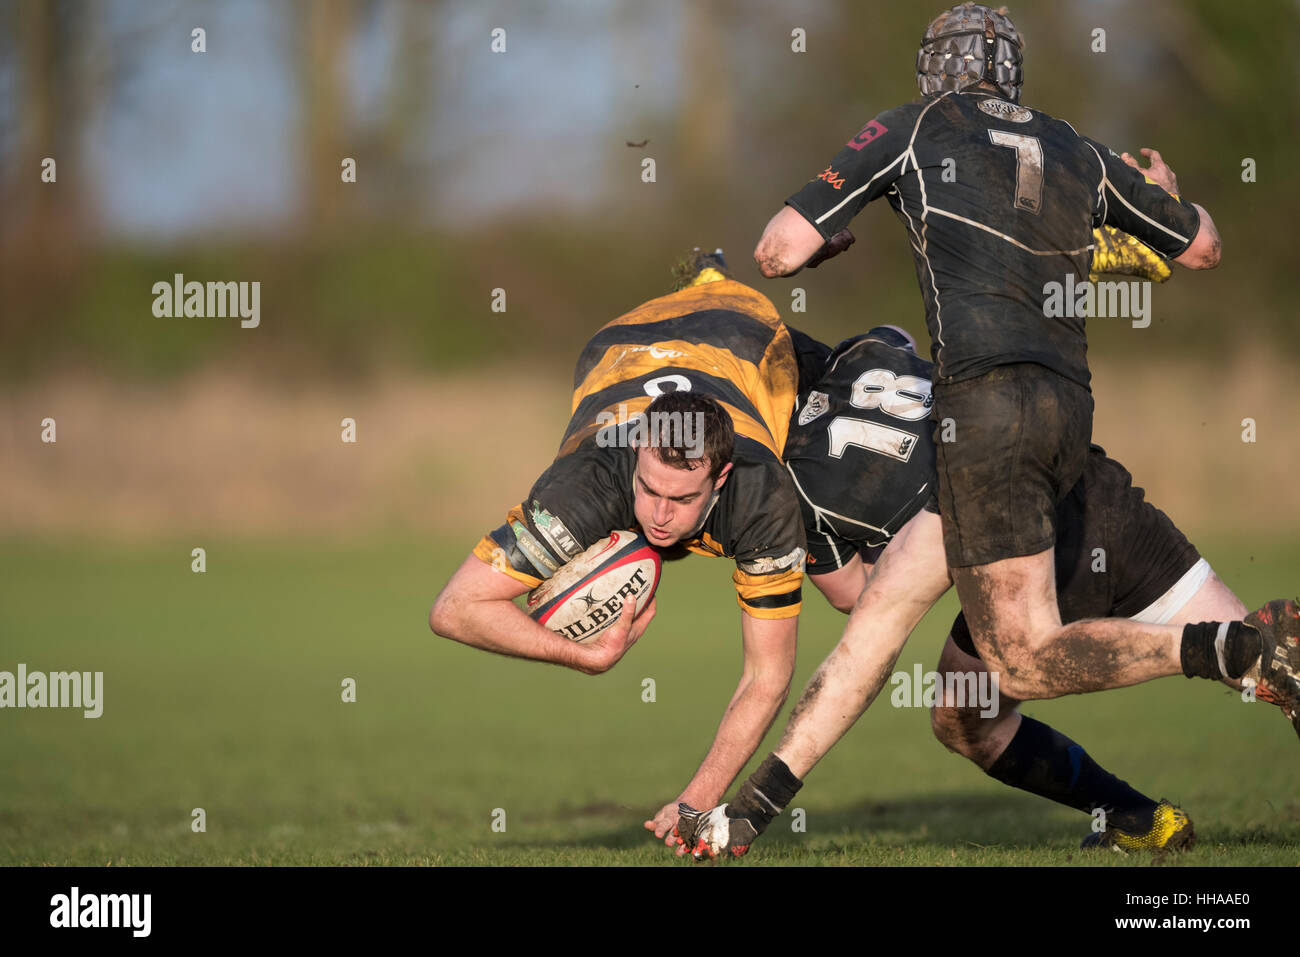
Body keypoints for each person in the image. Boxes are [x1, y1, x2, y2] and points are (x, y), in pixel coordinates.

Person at [750, 3, 1297, 729]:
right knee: (974, 698)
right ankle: (1257, 655)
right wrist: (1166, 199)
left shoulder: (912, 124)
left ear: (931, 67)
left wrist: (822, 245)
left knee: (1015, 664)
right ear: (1011, 75)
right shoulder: (1073, 144)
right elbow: (1201, 247)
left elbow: (776, 251)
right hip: (1070, 411)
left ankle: (1228, 650)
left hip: (987, 413)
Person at [679, 325, 1263, 858]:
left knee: (987, 697)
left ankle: (1206, 672)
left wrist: (755, 806)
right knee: (1275, 664)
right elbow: (905, 343)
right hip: (1091, 488)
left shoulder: (790, 494)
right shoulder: (867, 349)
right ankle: (1142, 814)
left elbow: (857, 603)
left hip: (1019, 547)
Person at [430, 252, 810, 843]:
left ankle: (714, 280)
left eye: (682, 500)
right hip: (619, 344)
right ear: (635, 456)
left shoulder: (763, 497)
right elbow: (454, 609)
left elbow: (768, 675)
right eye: (650, 489)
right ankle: (696, 279)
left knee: (845, 587)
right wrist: (582, 656)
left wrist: (697, 799)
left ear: (722, 478)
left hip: (744, 331)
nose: (659, 516)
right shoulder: (587, 486)